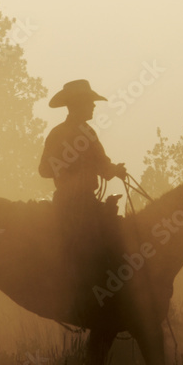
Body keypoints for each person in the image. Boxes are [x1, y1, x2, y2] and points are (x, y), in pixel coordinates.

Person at [39, 79, 126, 288]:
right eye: (89, 101)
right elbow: (44, 170)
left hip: (84, 203)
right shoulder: (64, 134)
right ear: (78, 104)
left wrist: (115, 170)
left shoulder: (86, 133)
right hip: (72, 206)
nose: (94, 105)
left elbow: (104, 168)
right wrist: (69, 163)